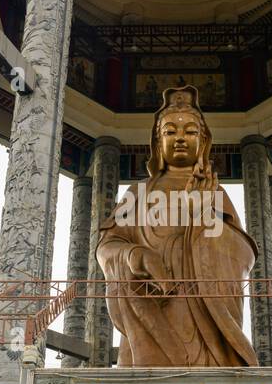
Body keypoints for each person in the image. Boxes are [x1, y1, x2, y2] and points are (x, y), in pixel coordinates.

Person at [96, 86, 258, 367]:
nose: (180, 138)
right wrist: (134, 255)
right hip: (149, 307)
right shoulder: (137, 193)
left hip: (204, 318)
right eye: (170, 132)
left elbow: (243, 256)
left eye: (190, 132)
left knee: (207, 382)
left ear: (203, 142)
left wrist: (200, 218)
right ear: (158, 142)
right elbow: (106, 248)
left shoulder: (215, 194)